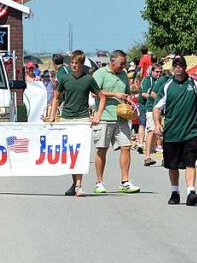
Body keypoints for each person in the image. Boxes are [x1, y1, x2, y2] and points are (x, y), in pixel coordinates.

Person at [153, 56, 197, 206]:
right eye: (176, 65)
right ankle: (175, 192)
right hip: (172, 132)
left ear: (185, 67)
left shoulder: (195, 84)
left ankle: (191, 192)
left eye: (181, 65)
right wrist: (157, 123)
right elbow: (156, 107)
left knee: (190, 162)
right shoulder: (167, 86)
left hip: (190, 131)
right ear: (173, 68)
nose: (178, 67)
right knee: (172, 165)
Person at [46, 50, 102, 197]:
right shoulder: (65, 78)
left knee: (80, 152)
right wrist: (52, 115)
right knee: (71, 153)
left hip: (82, 119)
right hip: (67, 118)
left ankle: (78, 185)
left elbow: (101, 97)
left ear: (81, 64)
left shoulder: (88, 79)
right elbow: (56, 97)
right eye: (72, 63)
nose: (74, 66)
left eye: (76, 63)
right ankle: (74, 183)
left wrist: (97, 115)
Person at [91, 49, 140, 194]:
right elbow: (94, 92)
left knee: (126, 147)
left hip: (121, 117)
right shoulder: (100, 74)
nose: (123, 66)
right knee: (102, 149)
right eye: (121, 63)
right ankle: (99, 182)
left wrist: (128, 99)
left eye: (125, 63)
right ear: (112, 61)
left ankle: (125, 181)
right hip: (105, 116)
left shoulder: (124, 75)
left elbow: (127, 93)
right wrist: (115, 94)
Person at [139, 63, 163, 166]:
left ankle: (152, 149)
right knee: (151, 130)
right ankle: (147, 157)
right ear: (152, 71)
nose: (159, 74)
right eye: (157, 72)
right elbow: (146, 93)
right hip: (150, 107)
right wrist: (162, 100)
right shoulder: (148, 80)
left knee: (159, 132)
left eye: (160, 72)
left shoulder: (162, 80)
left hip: (161, 109)